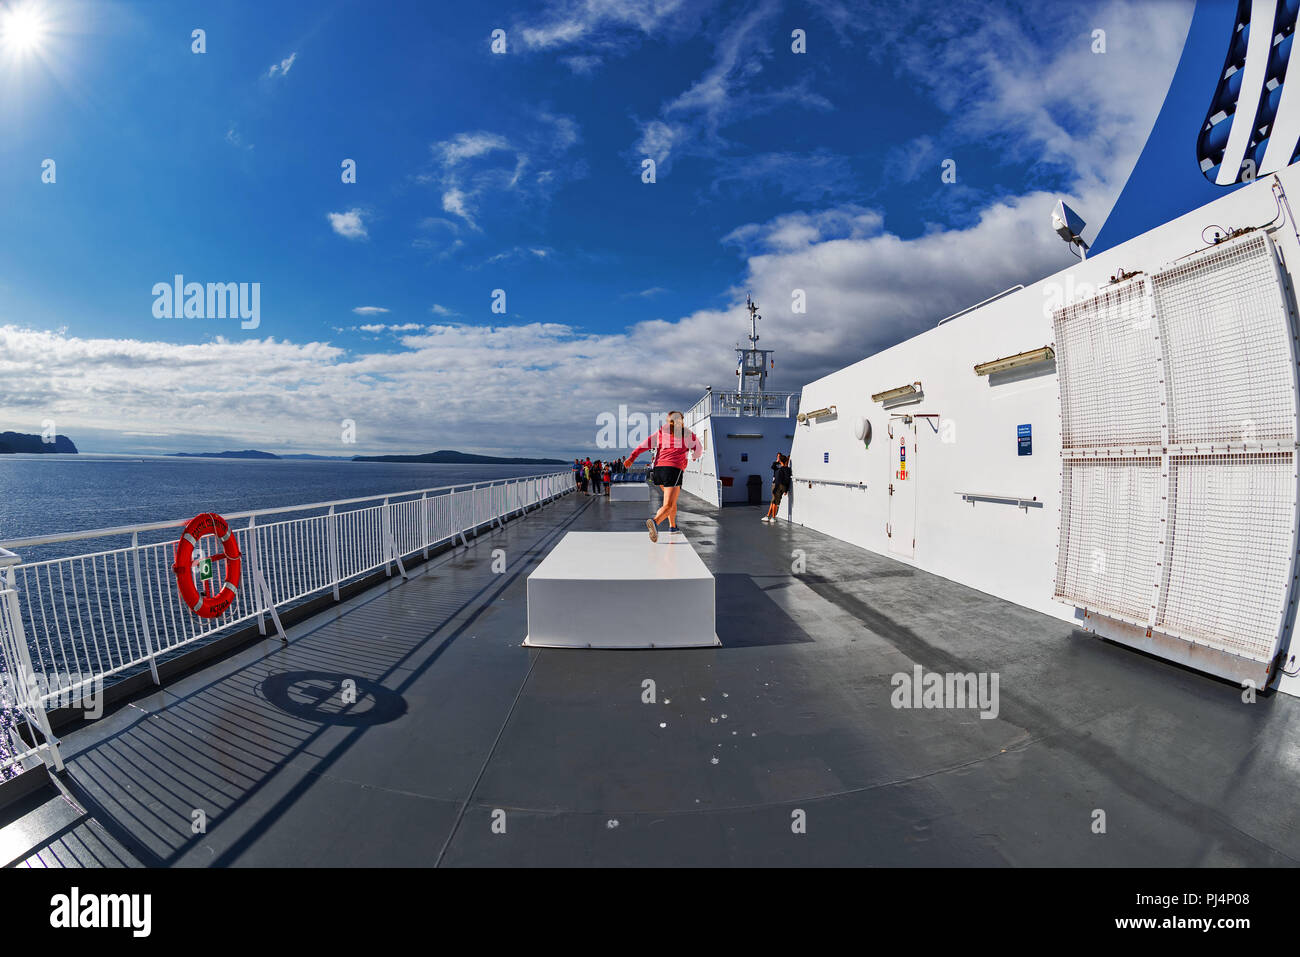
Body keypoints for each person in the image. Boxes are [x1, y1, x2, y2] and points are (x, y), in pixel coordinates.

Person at [625, 410, 703, 541]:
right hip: (673, 470)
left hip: (658, 470)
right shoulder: (687, 434)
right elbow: (699, 449)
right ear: (681, 420)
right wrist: (694, 456)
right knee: (669, 505)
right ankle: (655, 522)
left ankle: (673, 526)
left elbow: (644, 445)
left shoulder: (661, 433)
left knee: (671, 500)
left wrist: (632, 458)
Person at [764, 453, 792, 523]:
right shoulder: (788, 470)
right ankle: (769, 516)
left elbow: (777, 481)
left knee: (774, 502)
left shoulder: (779, 470)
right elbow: (787, 480)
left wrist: (775, 490)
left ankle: (772, 517)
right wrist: (786, 489)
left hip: (777, 486)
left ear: (780, 461)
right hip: (783, 487)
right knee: (774, 501)